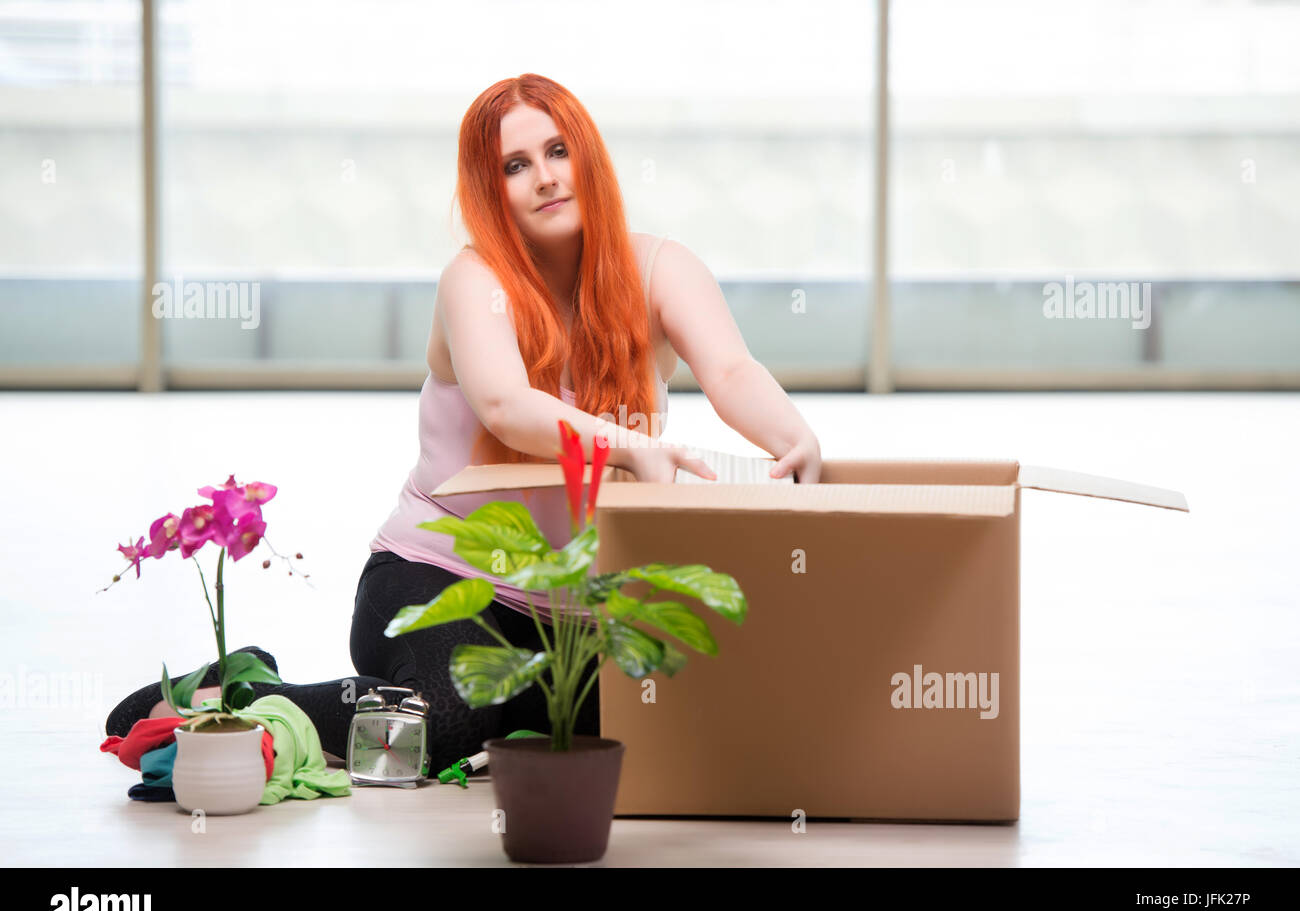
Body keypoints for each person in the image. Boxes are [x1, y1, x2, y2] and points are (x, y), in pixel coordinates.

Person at [105, 73, 823, 776]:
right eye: (517, 165)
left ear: (588, 157)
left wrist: (793, 437)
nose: (545, 177)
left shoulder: (660, 267)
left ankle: (496, 706)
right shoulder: (473, 281)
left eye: (557, 151)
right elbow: (507, 403)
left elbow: (730, 371)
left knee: (650, 710)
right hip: (436, 578)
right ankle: (236, 691)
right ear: (492, 188)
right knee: (442, 722)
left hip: (573, 609)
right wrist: (630, 445)